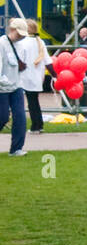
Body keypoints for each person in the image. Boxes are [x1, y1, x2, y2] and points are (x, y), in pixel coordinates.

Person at [0, 18, 29, 156]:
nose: (21, 37)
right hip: (2, 88)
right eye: (19, 34)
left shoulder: (21, 45)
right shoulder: (1, 43)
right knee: (3, 117)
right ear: (12, 30)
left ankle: (16, 148)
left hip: (16, 86)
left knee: (20, 117)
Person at [20, 19, 52, 134]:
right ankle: (39, 124)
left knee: (32, 102)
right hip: (38, 76)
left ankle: (35, 126)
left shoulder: (23, 43)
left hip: (26, 76)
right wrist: (54, 75)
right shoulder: (40, 42)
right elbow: (48, 61)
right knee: (35, 101)